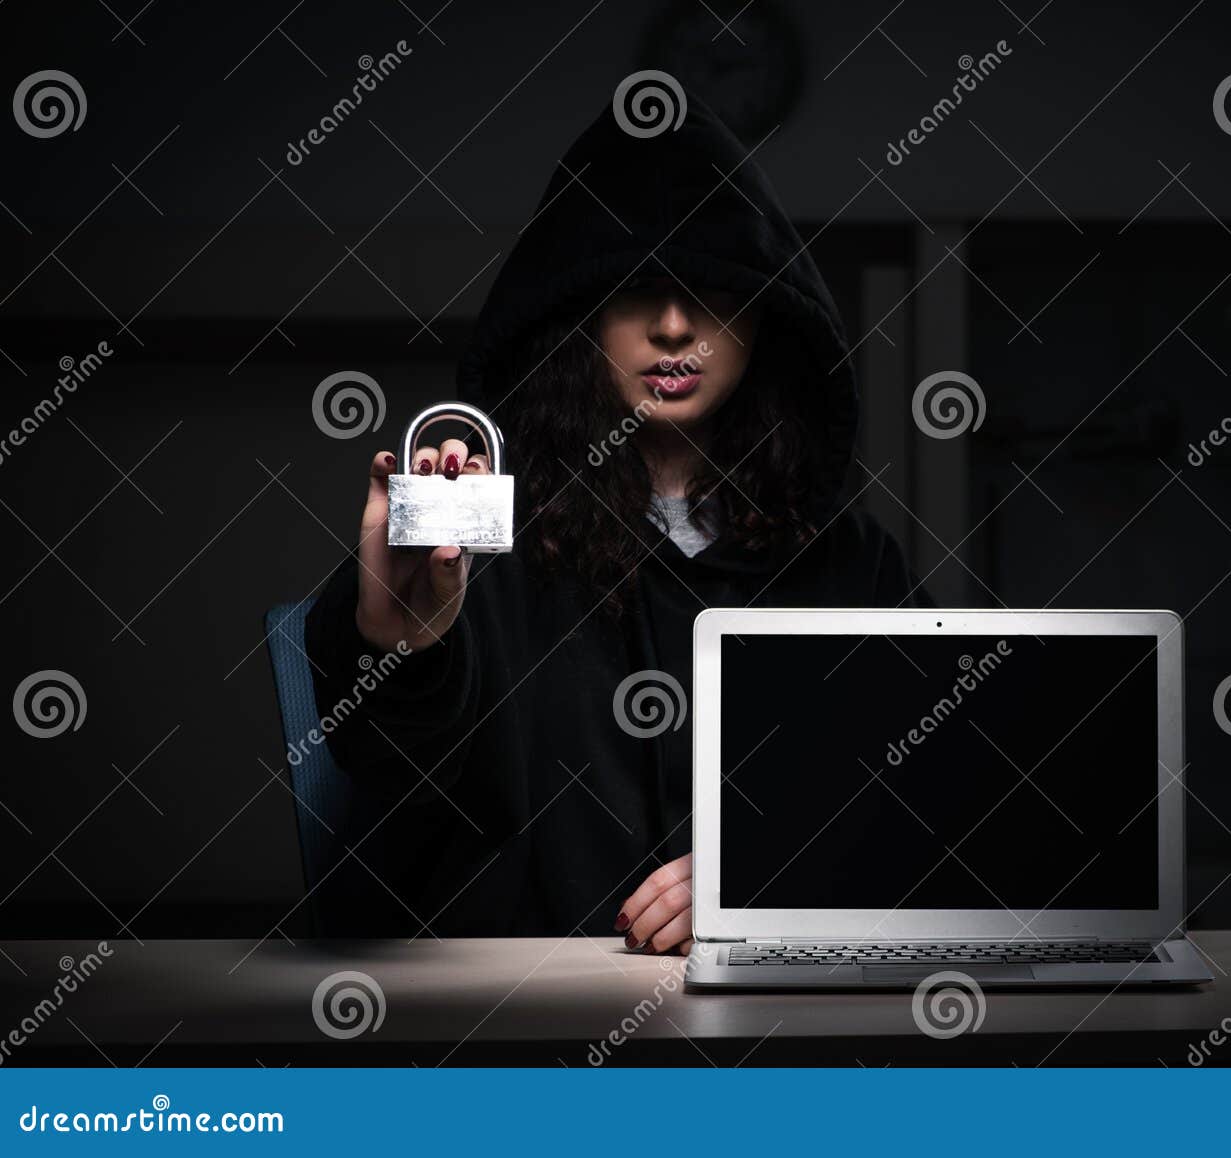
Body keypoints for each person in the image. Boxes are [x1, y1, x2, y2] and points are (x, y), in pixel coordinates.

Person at [305, 94, 922, 951]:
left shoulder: (846, 559)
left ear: (764, 316)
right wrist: (398, 645)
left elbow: (931, 789)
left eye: (710, 289)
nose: (674, 327)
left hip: (773, 1007)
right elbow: (395, 778)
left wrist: (776, 867)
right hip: (522, 1011)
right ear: (579, 311)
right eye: (639, 290)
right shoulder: (478, 534)